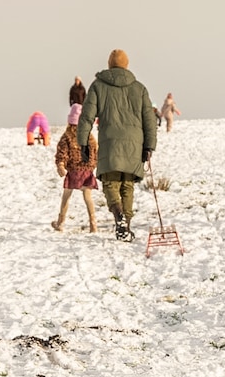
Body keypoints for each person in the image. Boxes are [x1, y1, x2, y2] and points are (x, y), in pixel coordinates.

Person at [77, 49, 158, 242]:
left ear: (109, 64)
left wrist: (83, 142)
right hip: (134, 143)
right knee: (127, 184)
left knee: (111, 182)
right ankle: (126, 226)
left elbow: (87, 116)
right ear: (127, 65)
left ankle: (118, 214)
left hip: (110, 141)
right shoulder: (139, 89)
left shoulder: (98, 86)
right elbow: (149, 120)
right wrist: (149, 146)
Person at [52, 104, 99, 233]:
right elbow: (95, 151)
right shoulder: (89, 136)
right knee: (88, 197)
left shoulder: (67, 136)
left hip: (73, 170)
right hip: (87, 171)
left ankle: (60, 222)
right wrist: (92, 165)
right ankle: (93, 224)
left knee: (66, 196)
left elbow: (62, 152)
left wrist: (61, 165)